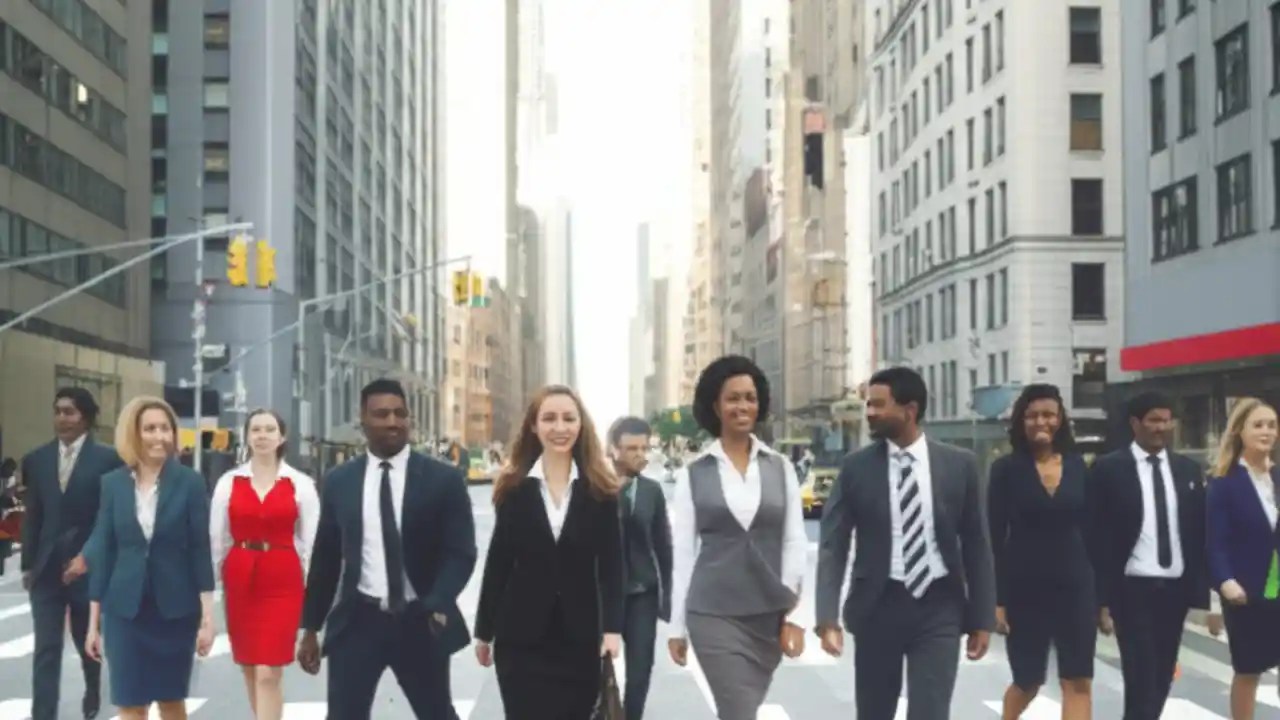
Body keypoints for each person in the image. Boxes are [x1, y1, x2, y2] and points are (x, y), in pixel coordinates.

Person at [815, 366, 995, 720]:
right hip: (877, 606)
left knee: (931, 711)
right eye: (868, 404)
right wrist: (826, 616)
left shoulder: (960, 466)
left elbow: (977, 543)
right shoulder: (855, 468)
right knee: (875, 712)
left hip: (939, 606)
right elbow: (833, 544)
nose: (869, 412)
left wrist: (982, 618)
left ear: (909, 410)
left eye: (879, 405)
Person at [297, 379, 476, 719]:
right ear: (362, 420)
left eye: (399, 413)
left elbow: (461, 551)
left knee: (437, 713)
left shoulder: (443, 480)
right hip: (358, 620)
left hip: (420, 619)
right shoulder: (339, 481)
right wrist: (310, 628)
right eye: (381, 414)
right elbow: (326, 559)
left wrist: (438, 602)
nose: (393, 421)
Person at [667, 355, 807, 720]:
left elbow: (795, 542)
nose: (742, 406)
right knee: (738, 711)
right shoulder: (692, 474)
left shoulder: (782, 467)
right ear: (716, 405)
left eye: (750, 397)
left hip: (768, 613)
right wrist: (676, 627)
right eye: (733, 398)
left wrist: (795, 615)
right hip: (713, 613)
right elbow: (682, 553)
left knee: (744, 709)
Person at [473, 385, 624, 719]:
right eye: (549, 418)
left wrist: (613, 628)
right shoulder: (513, 488)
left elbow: (613, 566)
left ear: (581, 425)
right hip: (519, 640)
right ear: (533, 426)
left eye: (569, 418)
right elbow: (498, 563)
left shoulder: (601, 490)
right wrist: (484, 631)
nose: (560, 428)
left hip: (580, 638)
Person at [83, 396, 216, 720]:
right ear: (134, 434)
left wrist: (208, 620)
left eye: (165, 428)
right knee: (130, 704)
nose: (160, 436)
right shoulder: (112, 485)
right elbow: (104, 550)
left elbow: (200, 550)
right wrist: (93, 624)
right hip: (124, 613)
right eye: (150, 429)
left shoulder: (190, 483)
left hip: (175, 612)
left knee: (171, 702)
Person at [1089, 391, 1208, 720]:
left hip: (1175, 591)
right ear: (1135, 423)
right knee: (1141, 678)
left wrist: (1201, 595)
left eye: (1166, 420)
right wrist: (1101, 600)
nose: (1161, 427)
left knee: (1161, 677)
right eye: (1154, 420)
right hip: (1132, 590)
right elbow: (1096, 537)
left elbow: (1198, 532)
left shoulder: (1187, 471)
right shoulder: (1109, 469)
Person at [988, 384, 1095, 720]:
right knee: (1027, 680)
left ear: (1061, 419)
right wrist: (996, 600)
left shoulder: (1079, 467)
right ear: (1021, 421)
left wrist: (1103, 597)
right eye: (1032, 415)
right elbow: (992, 536)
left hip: (1076, 588)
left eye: (1048, 414)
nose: (1040, 422)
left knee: (1078, 680)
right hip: (1024, 590)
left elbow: (1093, 532)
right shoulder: (1005, 470)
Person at [209, 409, 319, 719]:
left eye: (270, 429)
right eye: (256, 429)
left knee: (268, 671)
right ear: (246, 436)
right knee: (249, 665)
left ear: (281, 437)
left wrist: (315, 596)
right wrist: (211, 591)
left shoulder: (301, 484)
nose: (262, 435)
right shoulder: (228, 483)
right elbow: (218, 539)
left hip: (283, 578)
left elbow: (311, 542)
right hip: (240, 574)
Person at [21, 388, 123, 720]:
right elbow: (33, 514)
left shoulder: (108, 460)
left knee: (86, 644)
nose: (62, 418)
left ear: (86, 418)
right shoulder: (36, 460)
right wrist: (28, 565)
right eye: (58, 411)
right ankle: (43, 714)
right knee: (46, 649)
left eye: (70, 412)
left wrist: (92, 559)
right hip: (46, 571)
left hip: (87, 568)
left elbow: (109, 517)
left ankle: (93, 692)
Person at [1206, 397, 1279, 720]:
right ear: (1240, 432)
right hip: (1246, 591)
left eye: (1272, 425)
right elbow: (1215, 541)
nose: (1267, 431)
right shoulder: (1224, 482)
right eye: (1258, 425)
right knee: (1249, 670)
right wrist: (1225, 582)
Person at [608, 415, 673, 720]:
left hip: (643, 595)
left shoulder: (652, 491)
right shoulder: (597, 488)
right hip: (604, 596)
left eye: (645, 448)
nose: (640, 455)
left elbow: (664, 547)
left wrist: (667, 600)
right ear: (614, 450)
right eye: (632, 448)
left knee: (639, 673)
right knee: (597, 673)